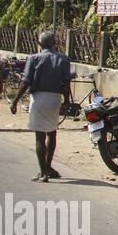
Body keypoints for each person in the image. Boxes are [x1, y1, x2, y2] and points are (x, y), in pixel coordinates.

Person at [10, 31, 72, 182]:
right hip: (54, 98)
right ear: (54, 43)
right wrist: (67, 101)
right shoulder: (63, 59)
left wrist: (15, 100)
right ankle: (48, 167)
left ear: (39, 44)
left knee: (40, 136)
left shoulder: (33, 58)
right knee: (52, 133)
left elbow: (26, 82)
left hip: (38, 98)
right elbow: (66, 82)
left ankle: (43, 172)